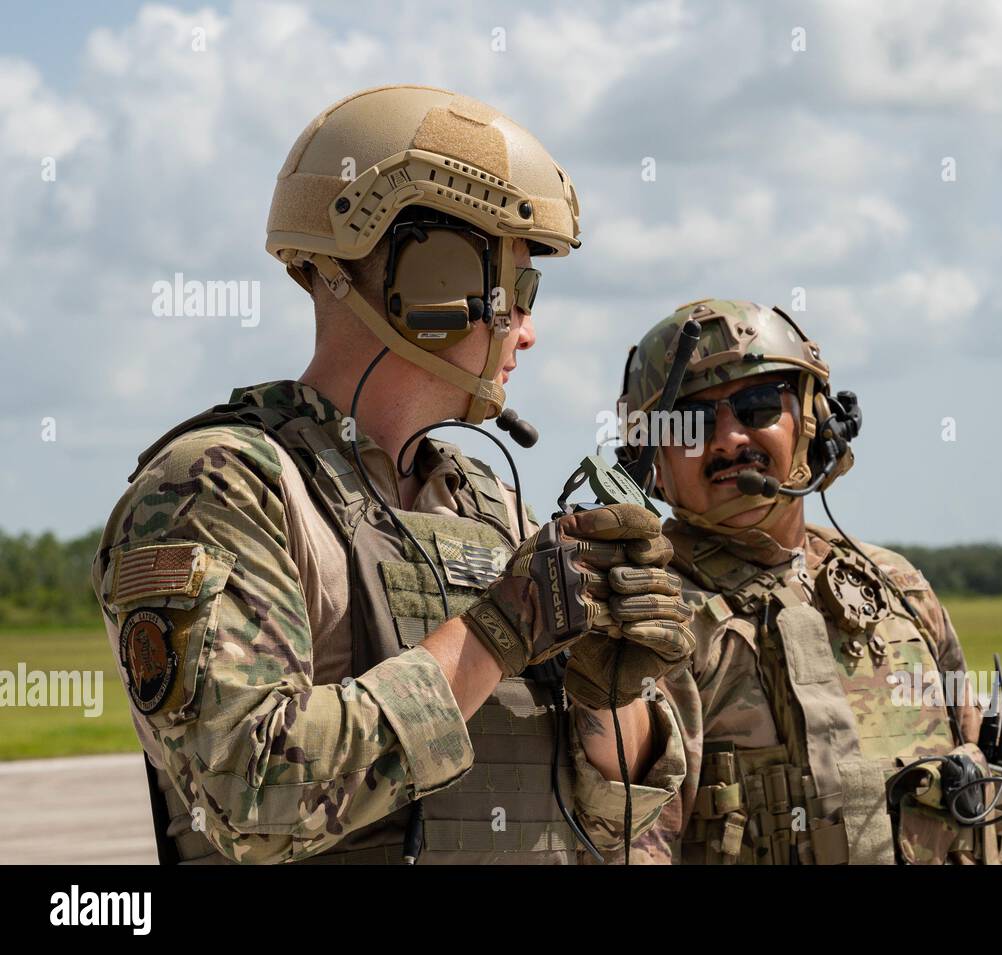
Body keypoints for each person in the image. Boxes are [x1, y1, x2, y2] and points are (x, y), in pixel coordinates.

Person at [90, 85, 692, 865]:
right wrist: (496, 634)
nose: (531, 331)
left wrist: (610, 698)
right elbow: (253, 795)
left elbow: (619, 827)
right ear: (430, 280)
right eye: (520, 288)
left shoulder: (493, 507)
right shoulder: (219, 489)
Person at [616, 298, 1002, 864]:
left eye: (758, 405)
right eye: (691, 422)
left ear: (814, 423)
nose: (727, 440)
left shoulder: (895, 586)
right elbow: (626, 843)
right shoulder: (649, 615)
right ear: (652, 459)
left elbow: (989, 796)